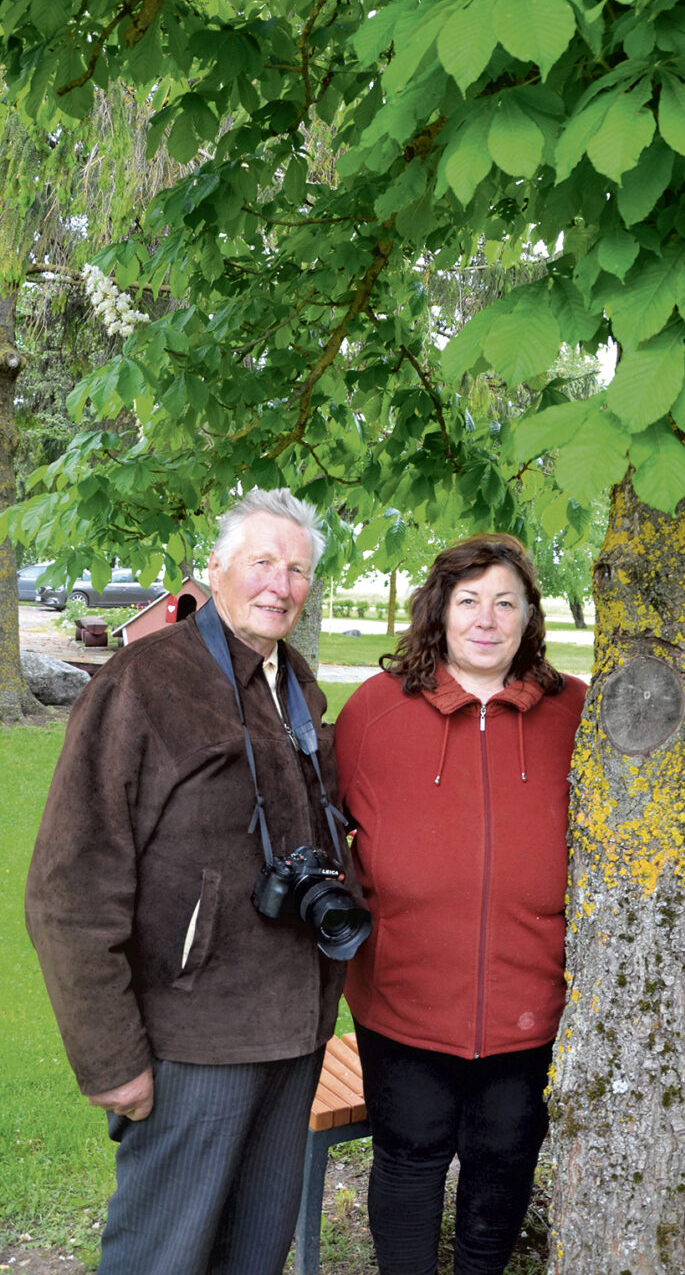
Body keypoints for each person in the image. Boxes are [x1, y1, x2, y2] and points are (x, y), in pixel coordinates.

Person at [25, 488, 367, 1275]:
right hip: (193, 1043)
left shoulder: (295, 683)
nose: (280, 584)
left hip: (295, 1036)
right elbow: (70, 888)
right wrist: (111, 1058)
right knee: (164, 1257)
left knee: (255, 1253)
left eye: (298, 570)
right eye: (262, 562)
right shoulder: (146, 681)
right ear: (214, 569)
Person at [335, 533, 587, 1275]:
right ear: (440, 611)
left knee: (503, 1163)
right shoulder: (376, 709)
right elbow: (321, 823)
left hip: (531, 1002)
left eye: (505, 603)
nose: (486, 619)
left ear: (528, 616)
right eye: (469, 600)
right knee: (408, 1157)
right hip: (403, 998)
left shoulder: (575, 711)